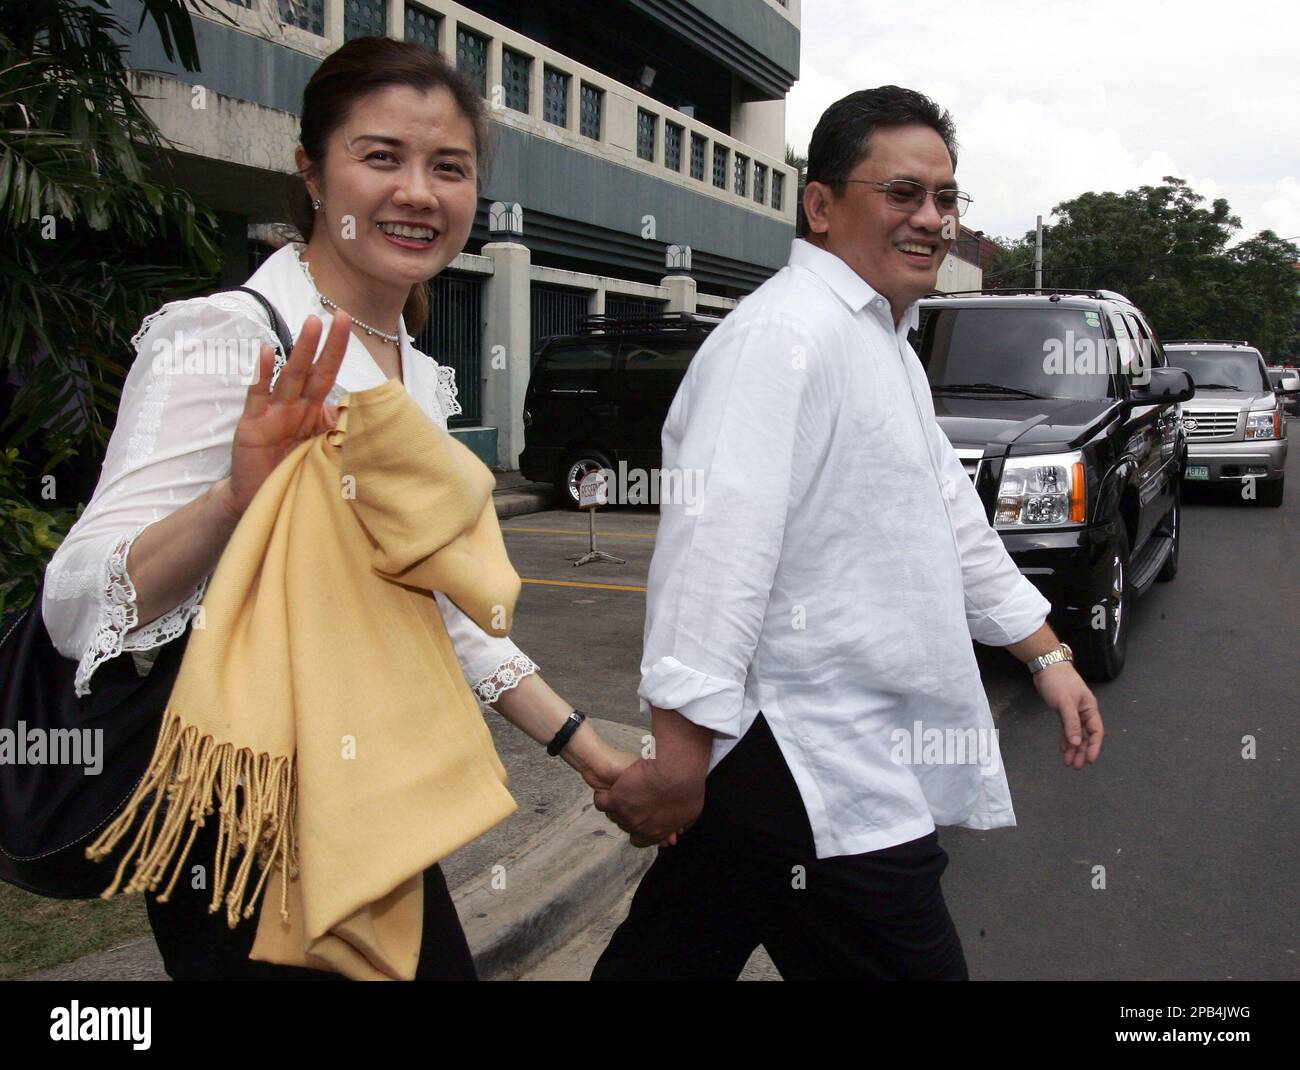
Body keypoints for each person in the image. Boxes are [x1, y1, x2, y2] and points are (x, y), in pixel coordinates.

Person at [41, 37, 635, 980]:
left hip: (371, 805)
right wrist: (236, 497)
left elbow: (439, 611)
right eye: (380, 156)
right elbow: (77, 605)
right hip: (244, 821)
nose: (418, 192)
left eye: (449, 167)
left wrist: (589, 754)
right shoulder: (228, 340)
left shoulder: (422, 377)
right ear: (312, 172)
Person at [591, 86, 1105, 981]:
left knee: (668, 958)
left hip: (802, 760)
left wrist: (1048, 656)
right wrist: (678, 759)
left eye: (947, 198)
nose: (934, 219)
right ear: (820, 206)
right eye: (902, 193)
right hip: (806, 758)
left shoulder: (881, 339)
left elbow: (950, 519)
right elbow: (717, 556)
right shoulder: (783, 339)